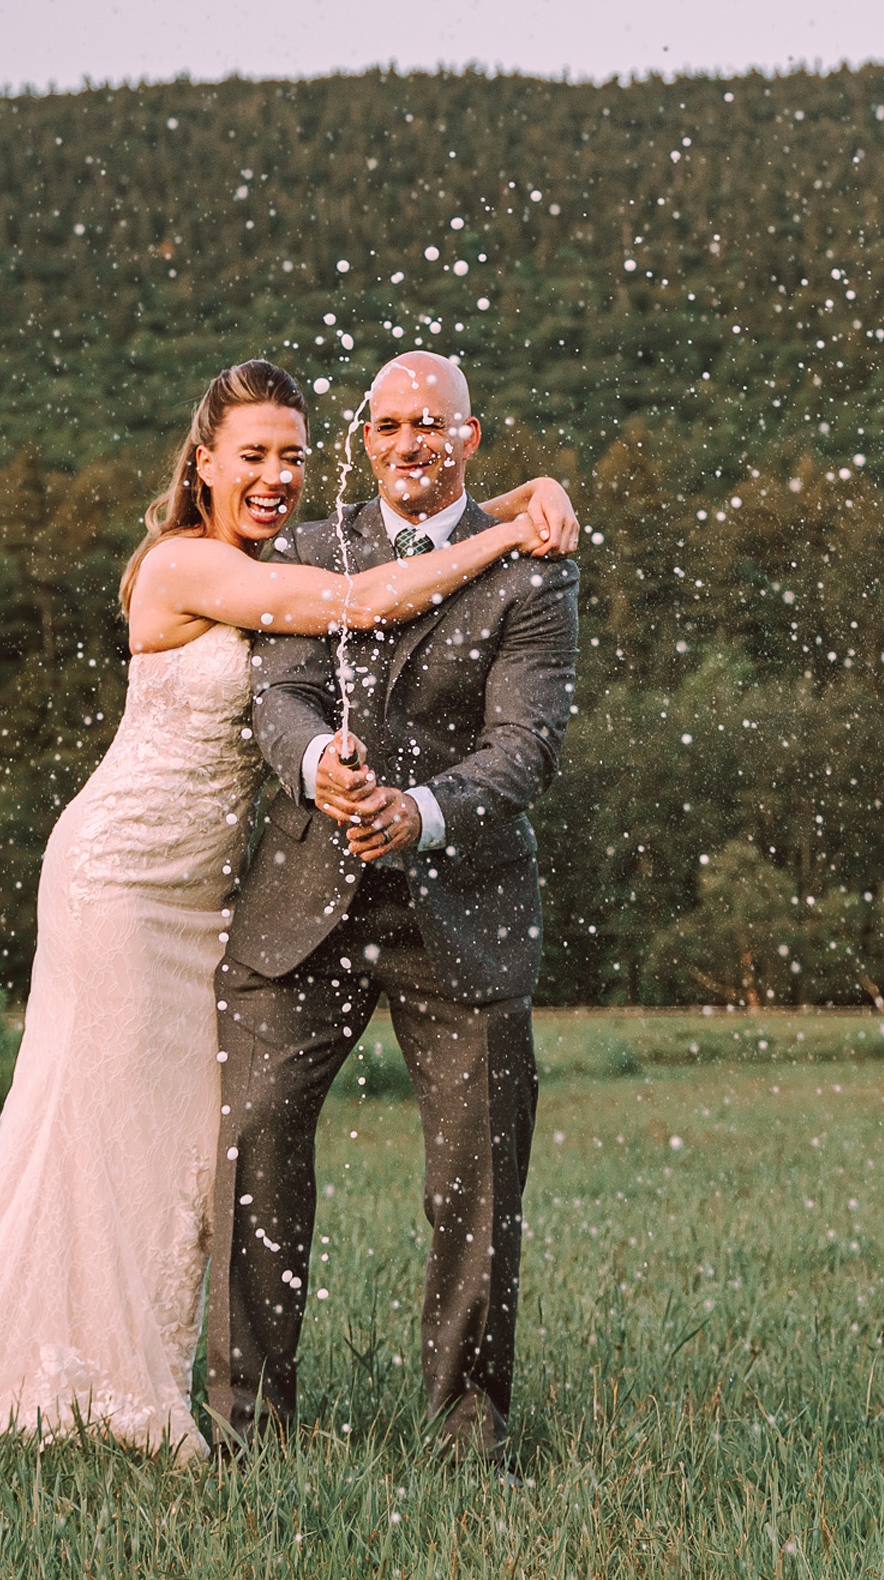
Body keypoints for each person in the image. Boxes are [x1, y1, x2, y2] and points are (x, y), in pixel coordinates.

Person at [0, 359, 575, 1458]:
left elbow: (504, 714)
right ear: (212, 460)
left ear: (466, 436)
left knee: (190, 1145)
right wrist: (503, 538)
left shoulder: (361, 559)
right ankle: (144, 1395)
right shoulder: (237, 561)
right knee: (165, 1141)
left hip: (282, 902)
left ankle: (220, 1379)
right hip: (151, 882)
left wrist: (517, 501)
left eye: (291, 452)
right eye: (254, 454)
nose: (278, 473)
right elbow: (324, 644)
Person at [209, 350, 580, 1468]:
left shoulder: (534, 569)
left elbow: (526, 746)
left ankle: (472, 1433)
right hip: (298, 907)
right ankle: (242, 1428)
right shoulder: (313, 550)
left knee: (473, 1184)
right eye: (389, 425)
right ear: (364, 440)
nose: (411, 442)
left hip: (459, 913)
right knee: (254, 1154)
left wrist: (419, 809)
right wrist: (321, 759)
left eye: (434, 424)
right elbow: (278, 692)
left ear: (470, 436)